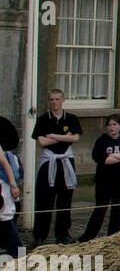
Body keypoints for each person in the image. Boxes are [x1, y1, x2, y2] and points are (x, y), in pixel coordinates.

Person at [32, 89, 81, 247]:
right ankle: (40, 235)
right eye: (51, 99)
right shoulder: (43, 120)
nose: (54, 102)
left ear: (63, 100)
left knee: (65, 200)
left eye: (57, 99)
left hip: (65, 161)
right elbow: (42, 142)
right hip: (49, 162)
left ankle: (63, 234)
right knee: (44, 200)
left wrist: (54, 136)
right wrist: (64, 138)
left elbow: (75, 138)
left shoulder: (71, 119)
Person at [78, 114, 120, 241]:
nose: (111, 127)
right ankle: (89, 236)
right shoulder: (102, 141)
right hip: (104, 180)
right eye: (109, 125)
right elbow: (102, 159)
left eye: (114, 125)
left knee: (118, 208)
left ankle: (115, 235)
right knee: (100, 208)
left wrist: (115, 156)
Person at [0, 138, 21, 259]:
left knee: (5, 218)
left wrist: (13, 185)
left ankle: (19, 254)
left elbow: (4, 163)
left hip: (2, 184)